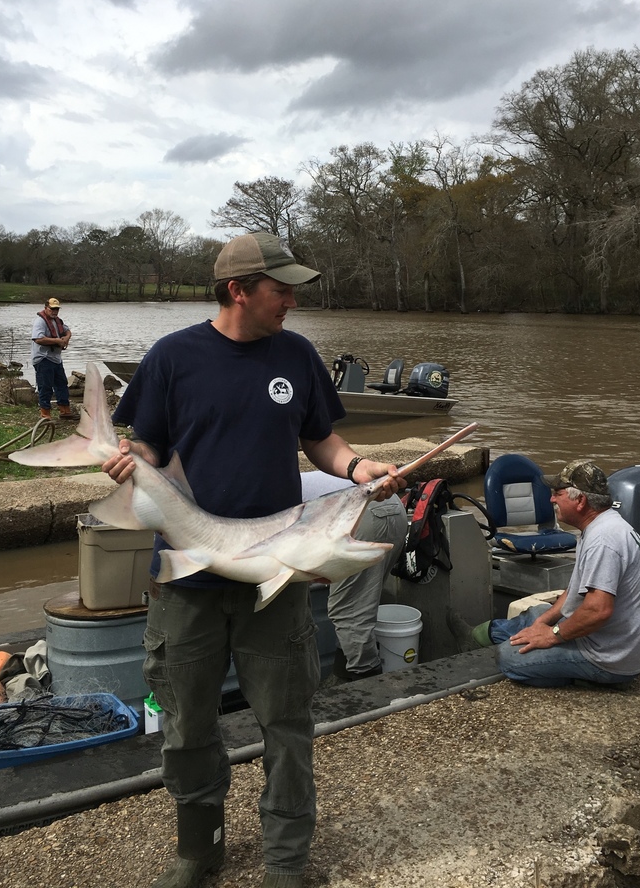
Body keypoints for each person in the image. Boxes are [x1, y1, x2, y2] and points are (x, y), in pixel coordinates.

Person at [101, 231, 406, 888]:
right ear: (239, 290)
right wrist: (127, 465)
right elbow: (147, 449)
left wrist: (359, 468)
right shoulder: (173, 358)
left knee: (288, 721)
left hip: (278, 574)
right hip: (189, 577)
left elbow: (321, 440)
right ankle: (198, 849)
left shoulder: (296, 355)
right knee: (185, 724)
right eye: (281, 288)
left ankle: (287, 861)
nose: (291, 299)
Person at [448, 459, 640, 688]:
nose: (551, 499)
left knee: (508, 658)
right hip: (611, 639)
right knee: (539, 613)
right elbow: (575, 593)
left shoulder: (603, 541)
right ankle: (475, 638)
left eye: (557, 494)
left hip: (610, 658)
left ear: (580, 500)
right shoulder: (605, 525)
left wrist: (552, 635)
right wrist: (542, 623)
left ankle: (586, 679)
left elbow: (598, 610)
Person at [300, 471, 408, 682]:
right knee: (360, 604)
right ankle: (342, 673)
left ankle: (367, 683)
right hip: (393, 506)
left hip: (360, 513)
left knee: (347, 611)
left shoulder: (261, 497)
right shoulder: (291, 479)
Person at [30, 297, 75, 420]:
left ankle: (65, 411)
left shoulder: (57, 321)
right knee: (45, 386)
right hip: (43, 359)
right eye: (52, 309)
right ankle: (45, 414)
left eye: (57, 309)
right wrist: (56, 340)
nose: (55, 312)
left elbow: (68, 331)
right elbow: (38, 339)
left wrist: (66, 339)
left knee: (62, 384)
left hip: (55, 359)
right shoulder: (40, 322)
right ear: (46, 308)